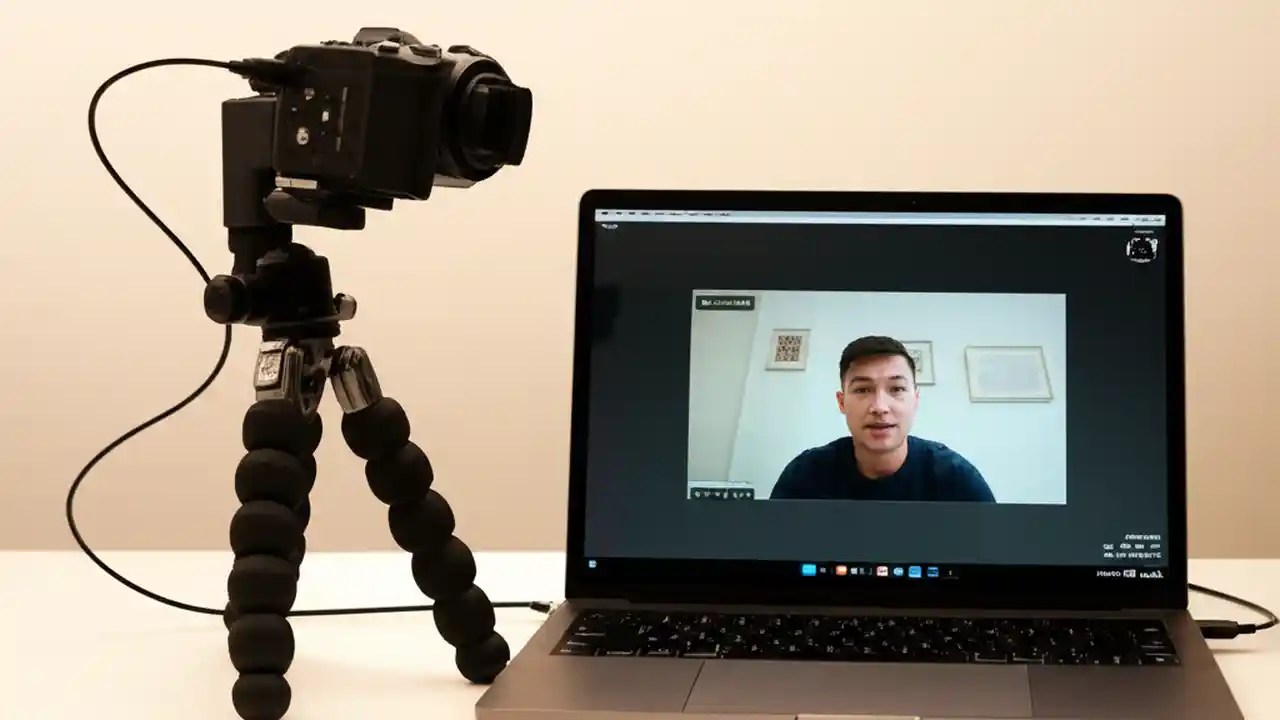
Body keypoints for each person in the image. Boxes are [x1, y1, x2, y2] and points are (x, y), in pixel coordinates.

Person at [769, 335, 995, 502]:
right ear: (841, 402)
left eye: (896, 388)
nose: (879, 407)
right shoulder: (805, 475)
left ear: (915, 400)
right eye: (862, 390)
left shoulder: (956, 478)